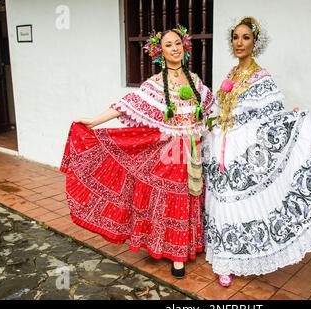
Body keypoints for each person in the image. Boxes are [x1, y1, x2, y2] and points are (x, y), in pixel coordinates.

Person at [60, 25, 214, 279]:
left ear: (184, 46)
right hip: (168, 150)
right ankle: (175, 255)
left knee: (190, 195)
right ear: (160, 52)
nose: (175, 48)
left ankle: (186, 245)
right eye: (168, 45)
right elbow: (127, 104)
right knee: (173, 196)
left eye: (178, 43)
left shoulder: (195, 80)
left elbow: (210, 108)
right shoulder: (155, 84)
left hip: (193, 149)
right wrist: (95, 121)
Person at [202, 17, 311, 287]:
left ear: (255, 42)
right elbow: (222, 110)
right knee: (221, 202)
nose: (239, 43)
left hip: (243, 149)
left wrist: (291, 119)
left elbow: (270, 114)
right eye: (235, 37)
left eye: (245, 37)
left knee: (241, 204)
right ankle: (222, 259)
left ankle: (238, 258)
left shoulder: (261, 76)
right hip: (221, 146)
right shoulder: (230, 74)